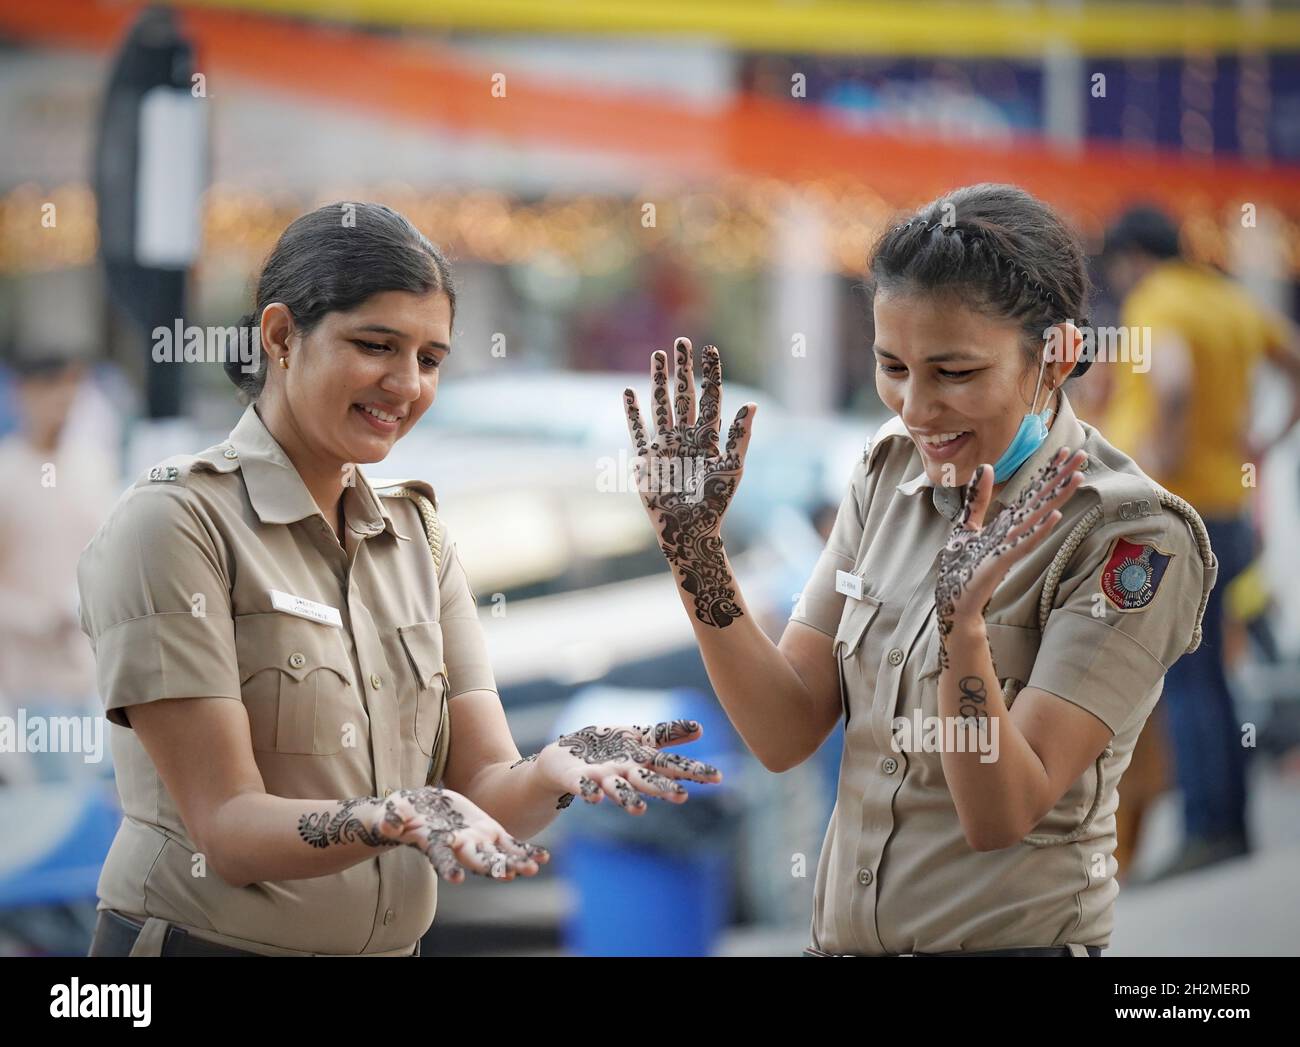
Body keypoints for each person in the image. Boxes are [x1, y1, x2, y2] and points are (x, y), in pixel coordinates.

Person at [76, 202, 721, 957]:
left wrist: (551, 769)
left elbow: (483, 791)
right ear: (280, 337)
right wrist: (392, 815)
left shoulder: (418, 536)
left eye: (430, 359)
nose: (406, 384)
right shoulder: (177, 523)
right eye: (376, 345)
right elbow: (227, 830)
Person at [622, 183, 1216, 956]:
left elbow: (1003, 813)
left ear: (1059, 356)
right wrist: (696, 549)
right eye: (892, 365)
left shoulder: (1128, 535)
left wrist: (962, 633)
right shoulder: (888, 473)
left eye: (954, 372)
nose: (914, 407)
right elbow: (784, 729)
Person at [1100, 205, 1300, 880]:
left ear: (1133, 258)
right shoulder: (1230, 301)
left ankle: (1206, 830)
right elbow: (1294, 362)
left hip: (1177, 513)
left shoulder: (1157, 300)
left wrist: (1160, 465)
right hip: (1230, 510)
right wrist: (1267, 441)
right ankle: (1229, 824)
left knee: (1185, 676)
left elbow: (1174, 380)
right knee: (1210, 672)